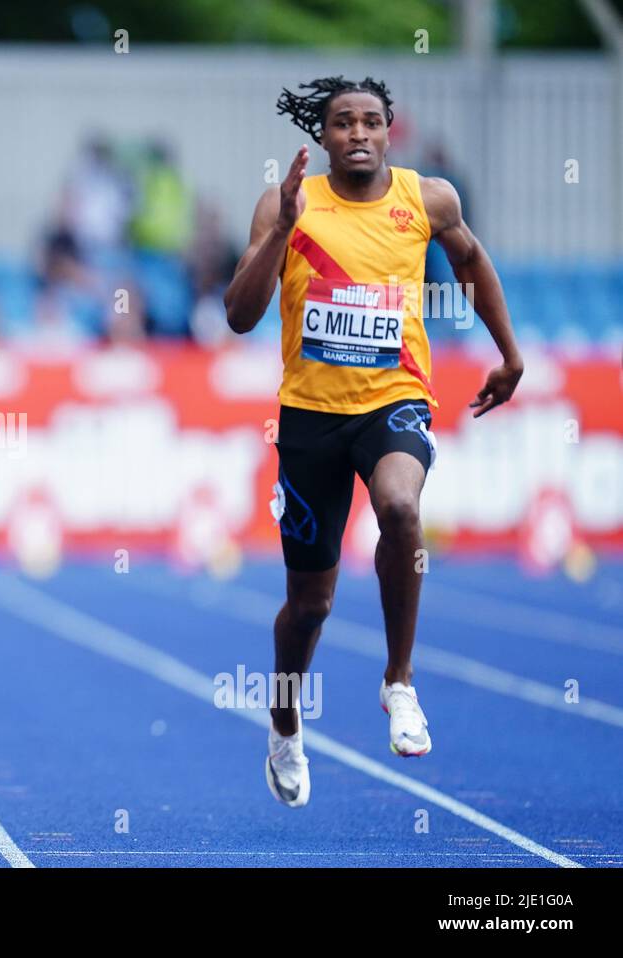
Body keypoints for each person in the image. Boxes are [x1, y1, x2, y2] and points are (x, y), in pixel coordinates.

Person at [223, 76, 523, 808]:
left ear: (390, 130)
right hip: (310, 419)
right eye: (341, 124)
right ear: (322, 137)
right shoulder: (286, 203)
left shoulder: (428, 200)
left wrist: (510, 356)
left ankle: (399, 682)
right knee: (310, 607)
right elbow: (238, 313)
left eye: (370, 122)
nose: (357, 133)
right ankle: (286, 719)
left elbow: (473, 265)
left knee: (399, 506)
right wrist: (284, 229)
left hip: (395, 401)